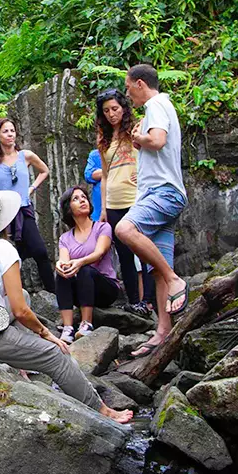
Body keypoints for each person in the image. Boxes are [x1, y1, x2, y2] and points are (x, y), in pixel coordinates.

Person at [0, 182, 133, 425]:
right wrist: (46, 335)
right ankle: (101, 411)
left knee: (23, 294)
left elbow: (16, 301)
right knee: (56, 356)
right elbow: (20, 311)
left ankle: (20, 364)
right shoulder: (3, 249)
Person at [113, 64, 187, 357]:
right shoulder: (161, 107)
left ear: (140, 84)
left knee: (124, 229)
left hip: (163, 193)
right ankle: (162, 332)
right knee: (155, 269)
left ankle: (175, 279)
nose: (128, 93)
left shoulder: (156, 104)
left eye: (129, 87)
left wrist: (138, 139)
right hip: (159, 191)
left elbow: (157, 141)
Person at [0, 116, 54, 286]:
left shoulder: (26, 156)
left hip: (23, 209)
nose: (10, 134)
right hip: (2, 214)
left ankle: (54, 293)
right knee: (5, 256)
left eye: (12, 131)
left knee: (40, 251)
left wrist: (32, 188)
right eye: (5, 131)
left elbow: (44, 171)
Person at [90, 87, 145, 312]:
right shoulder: (103, 137)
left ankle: (149, 300)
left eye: (115, 108)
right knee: (124, 254)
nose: (111, 114)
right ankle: (134, 301)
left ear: (123, 108)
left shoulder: (136, 128)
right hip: (113, 200)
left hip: (136, 197)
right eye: (106, 111)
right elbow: (104, 174)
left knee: (143, 250)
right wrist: (102, 207)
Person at [53, 185, 119, 341]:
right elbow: (64, 260)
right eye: (76, 199)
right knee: (62, 274)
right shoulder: (65, 238)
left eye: (84, 197)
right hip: (81, 292)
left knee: (84, 270)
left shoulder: (103, 227)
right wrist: (59, 265)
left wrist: (80, 262)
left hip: (105, 289)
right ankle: (68, 329)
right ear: (68, 208)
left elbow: (99, 252)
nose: (82, 200)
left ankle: (86, 324)